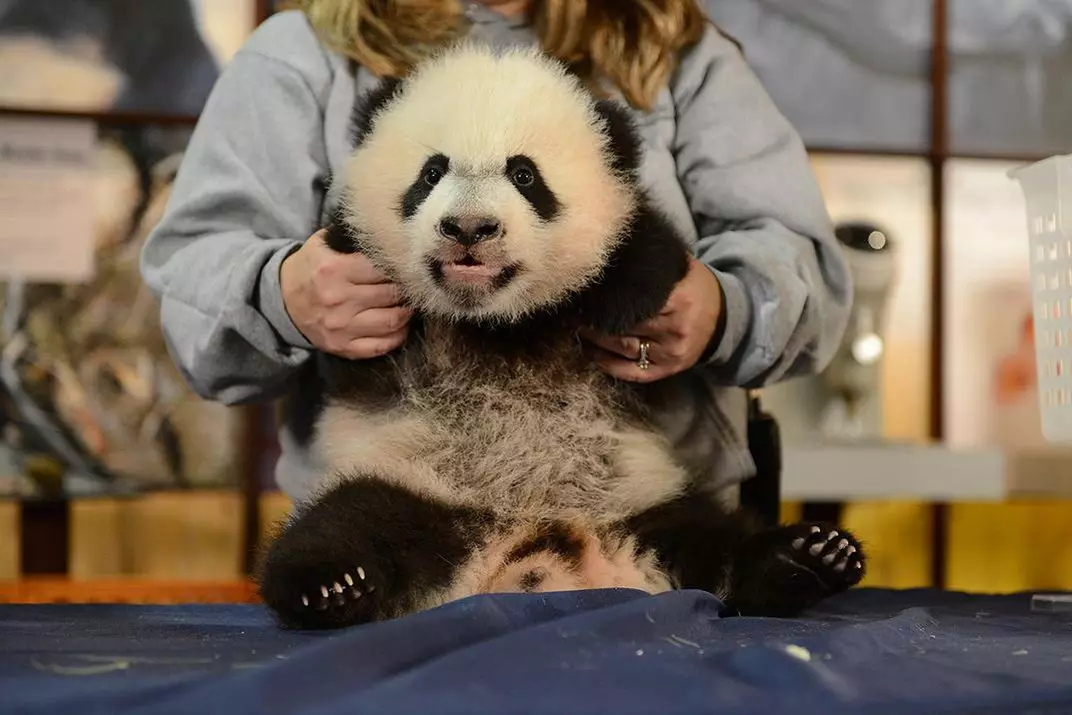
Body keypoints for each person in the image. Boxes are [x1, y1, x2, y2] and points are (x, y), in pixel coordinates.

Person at [140, 0, 852, 504]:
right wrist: (283, 293)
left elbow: (809, 275)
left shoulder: (674, 53)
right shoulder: (302, 57)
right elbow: (197, 308)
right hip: (397, 524)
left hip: (646, 521)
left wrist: (726, 309)